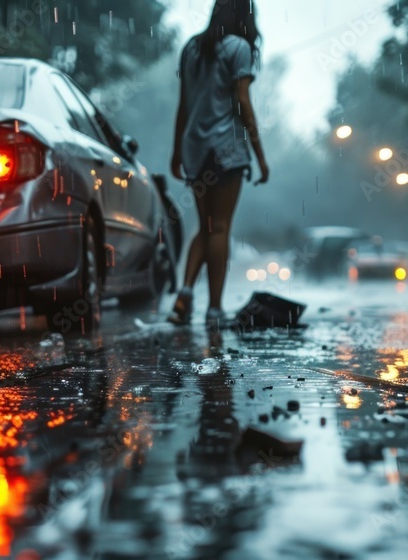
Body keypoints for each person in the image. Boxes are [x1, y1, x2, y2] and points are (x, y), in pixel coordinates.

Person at [167, 0, 270, 328]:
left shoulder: (192, 48)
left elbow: (184, 103)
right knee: (221, 227)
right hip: (226, 149)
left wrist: (177, 150)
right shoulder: (239, 48)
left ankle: (185, 292)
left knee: (206, 226)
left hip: (195, 148)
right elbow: (242, 101)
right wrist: (259, 154)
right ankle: (214, 308)